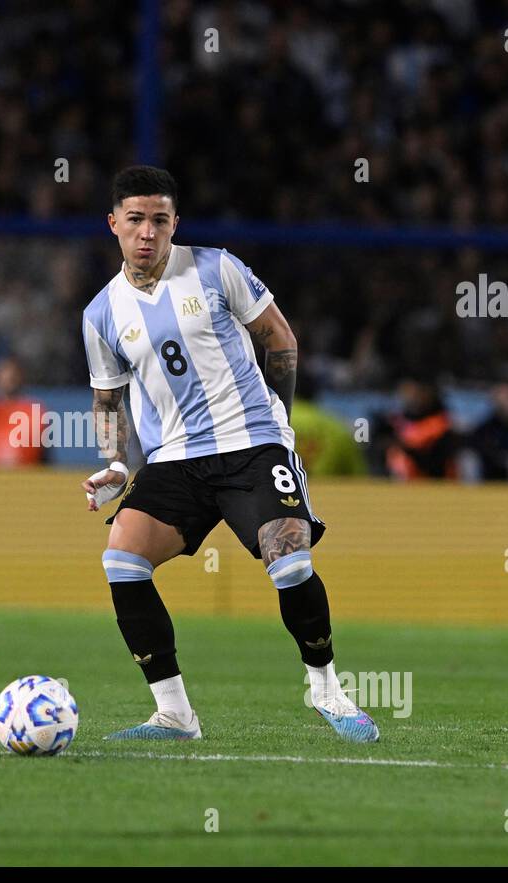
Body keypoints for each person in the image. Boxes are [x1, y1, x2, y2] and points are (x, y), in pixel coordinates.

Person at [81, 166, 378, 744]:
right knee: (121, 560)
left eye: (160, 221)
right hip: (174, 460)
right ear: (113, 223)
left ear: (175, 224)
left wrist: (281, 426)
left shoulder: (216, 268)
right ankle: (174, 714)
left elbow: (280, 338)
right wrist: (118, 466)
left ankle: (328, 692)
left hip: (249, 443)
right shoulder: (102, 314)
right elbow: (107, 398)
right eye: (136, 220)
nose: (148, 233)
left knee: (288, 560)